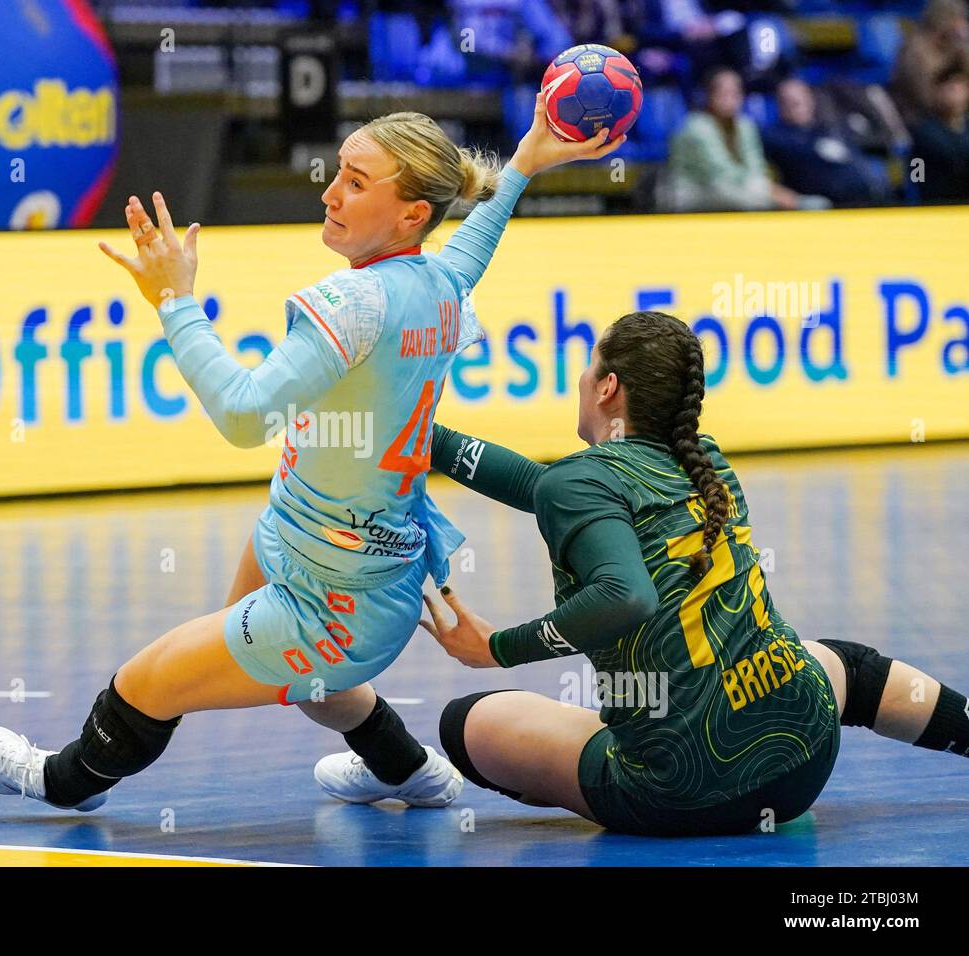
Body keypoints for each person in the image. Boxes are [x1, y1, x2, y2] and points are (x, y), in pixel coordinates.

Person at [0, 96, 624, 813]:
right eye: (338, 172)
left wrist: (175, 301)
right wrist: (521, 163)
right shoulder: (438, 285)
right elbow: (469, 250)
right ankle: (406, 769)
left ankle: (60, 782)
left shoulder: (354, 303)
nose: (330, 192)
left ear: (412, 214)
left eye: (357, 182)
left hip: (335, 597)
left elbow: (244, 415)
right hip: (317, 546)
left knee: (149, 683)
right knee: (283, 677)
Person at [407, 310, 969, 835]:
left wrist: (498, 648)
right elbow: (546, 490)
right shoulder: (704, 460)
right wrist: (429, 440)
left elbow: (625, 597)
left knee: (464, 724)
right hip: (802, 759)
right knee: (840, 662)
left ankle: (415, 756)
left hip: (679, 791)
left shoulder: (578, 483)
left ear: (608, 387)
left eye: (590, 364)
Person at [659, 68, 823, 211]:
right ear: (709, 94)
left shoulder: (745, 125)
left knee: (752, 191)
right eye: (724, 93)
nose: (731, 99)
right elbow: (720, 172)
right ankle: (794, 203)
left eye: (736, 92)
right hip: (696, 189)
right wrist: (765, 190)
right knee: (742, 194)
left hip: (739, 187)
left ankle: (787, 201)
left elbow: (756, 165)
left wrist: (760, 184)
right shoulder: (695, 127)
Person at [761, 77, 887, 207]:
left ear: (810, 99)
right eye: (787, 101)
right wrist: (797, 201)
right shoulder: (773, 137)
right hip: (818, 207)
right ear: (779, 104)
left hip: (864, 200)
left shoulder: (831, 129)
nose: (794, 105)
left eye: (798, 101)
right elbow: (760, 179)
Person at [892, 0, 969, 125]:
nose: (962, 25)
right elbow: (923, 97)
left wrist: (963, 48)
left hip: (952, 113)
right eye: (958, 19)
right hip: (920, 118)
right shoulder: (916, 49)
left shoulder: (954, 46)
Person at [910, 61, 969, 203]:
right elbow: (917, 175)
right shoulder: (924, 132)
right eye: (951, 88)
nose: (956, 95)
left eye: (960, 88)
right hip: (939, 202)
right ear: (937, 91)